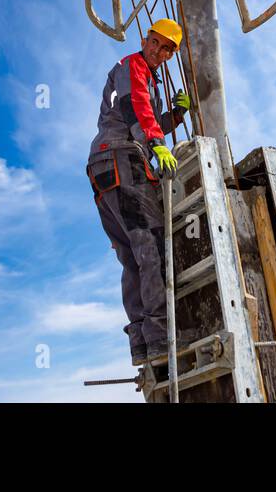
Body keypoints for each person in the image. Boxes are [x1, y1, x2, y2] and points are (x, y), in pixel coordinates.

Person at [85, 18, 192, 365]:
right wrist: (158, 144)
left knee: (131, 256)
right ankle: (162, 335)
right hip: (123, 162)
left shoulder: (140, 75)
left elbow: (143, 117)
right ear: (146, 38)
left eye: (166, 49)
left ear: (171, 54)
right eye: (155, 42)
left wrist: (175, 116)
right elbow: (138, 111)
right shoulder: (133, 65)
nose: (158, 51)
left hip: (104, 169)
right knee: (152, 248)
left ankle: (142, 344)